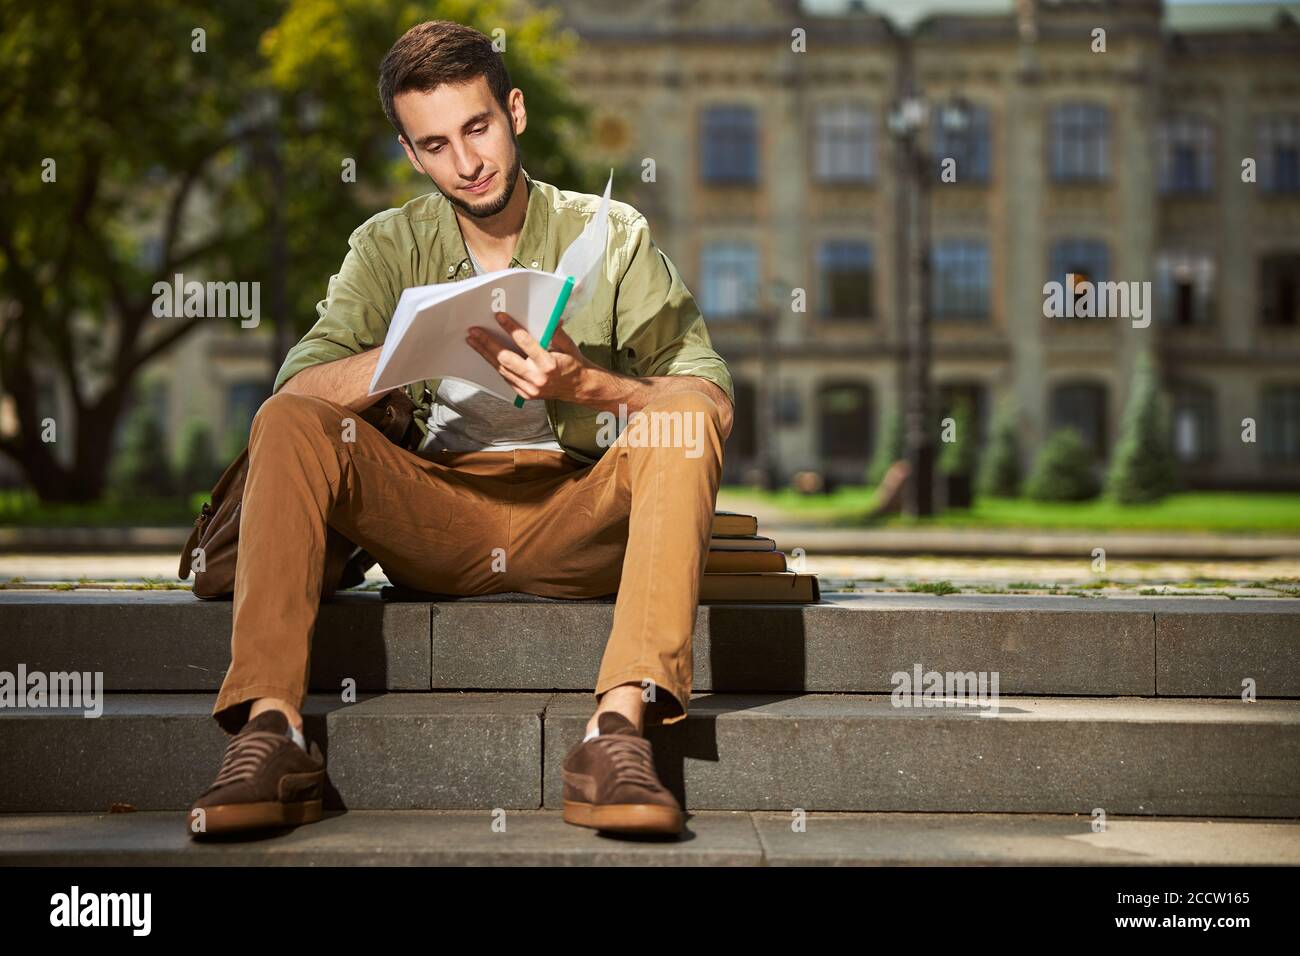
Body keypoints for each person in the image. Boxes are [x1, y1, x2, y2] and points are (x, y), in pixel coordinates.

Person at [187, 19, 734, 839]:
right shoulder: (388, 244)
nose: (466, 162)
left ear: (514, 111)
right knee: (295, 419)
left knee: (681, 412)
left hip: (574, 515)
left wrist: (585, 382)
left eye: (477, 128)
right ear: (412, 155)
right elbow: (295, 393)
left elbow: (712, 401)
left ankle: (615, 733)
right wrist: (405, 354)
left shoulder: (613, 237)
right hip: (432, 517)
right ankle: (274, 732)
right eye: (435, 144)